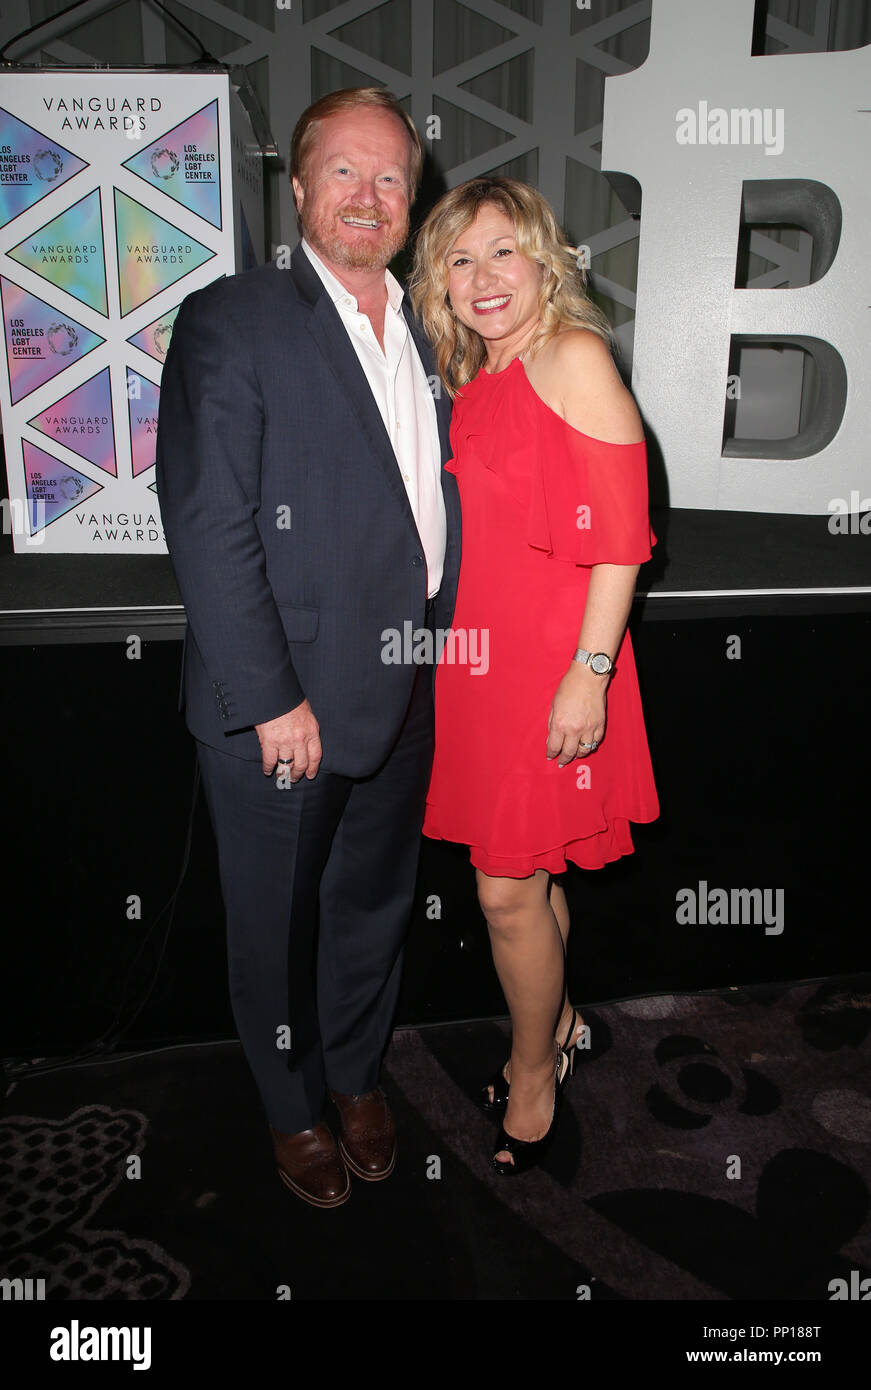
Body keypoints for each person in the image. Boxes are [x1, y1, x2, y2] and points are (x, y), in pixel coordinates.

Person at [155, 88, 460, 1208]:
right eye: (344, 173)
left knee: (372, 903)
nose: (368, 197)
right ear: (296, 188)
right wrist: (271, 696)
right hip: (287, 705)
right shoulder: (233, 317)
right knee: (275, 926)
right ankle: (291, 1105)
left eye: (389, 177)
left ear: (412, 196)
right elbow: (207, 516)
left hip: (405, 681)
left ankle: (356, 1071)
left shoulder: (437, 325)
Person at [409, 177, 659, 1174]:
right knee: (531, 865)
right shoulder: (477, 376)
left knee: (504, 890)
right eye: (460, 260)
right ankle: (553, 1028)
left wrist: (588, 672)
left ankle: (531, 1072)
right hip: (483, 663)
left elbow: (626, 543)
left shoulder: (573, 355)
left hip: (558, 664)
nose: (482, 277)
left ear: (544, 259)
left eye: (502, 251)